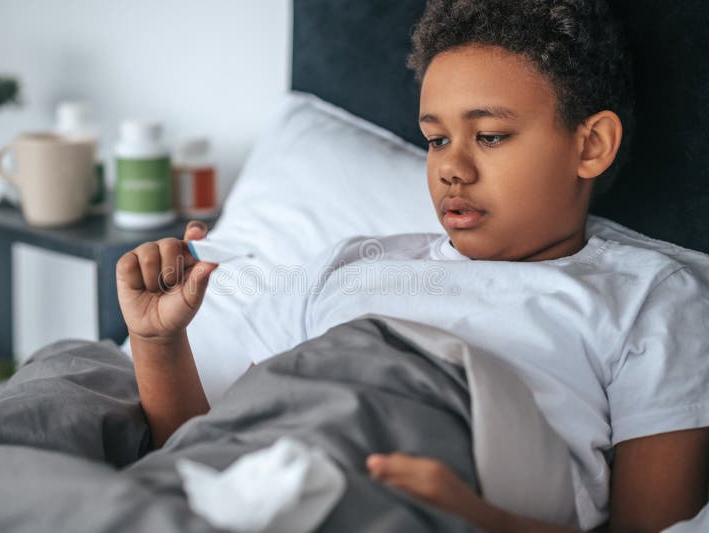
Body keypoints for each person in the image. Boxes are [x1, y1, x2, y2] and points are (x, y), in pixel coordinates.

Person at [115, 0, 709, 531]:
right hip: (283, 460)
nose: (452, 168)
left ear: (590, 145)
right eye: (435, 140)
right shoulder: (349, 265)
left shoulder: (648, 298)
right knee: (69, 377)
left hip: (417, 449)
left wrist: (484, 523)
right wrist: (155, 340)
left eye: (492, 136)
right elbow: (211, 459)